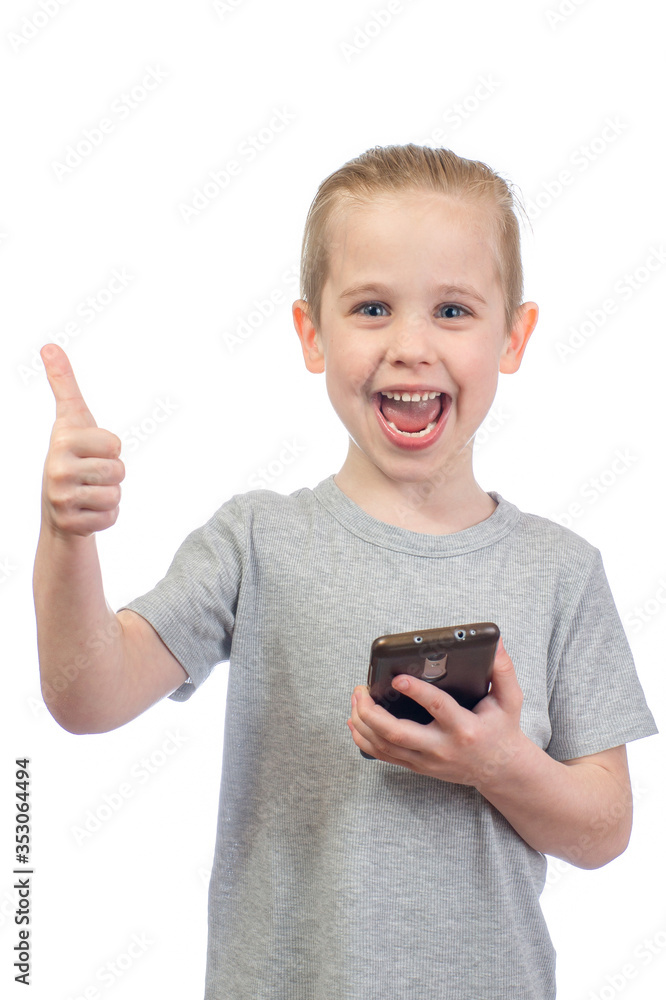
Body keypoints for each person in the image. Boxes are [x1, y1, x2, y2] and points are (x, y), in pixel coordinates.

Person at [34, 144, 657, 999]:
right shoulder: (258, 541)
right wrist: (67, 534)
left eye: (451, 309)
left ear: (513, 336)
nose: (410, 346)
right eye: (371, 307)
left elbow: (605, 830)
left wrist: (498, 763)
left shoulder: (562, 571)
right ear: (311, 334)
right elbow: (86, 694)